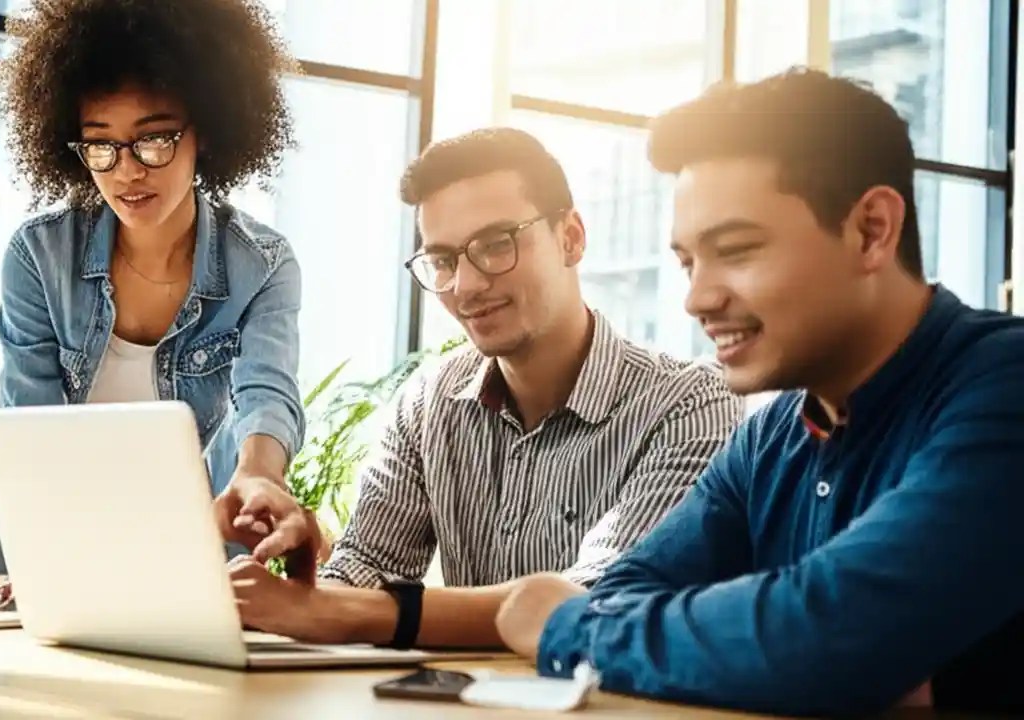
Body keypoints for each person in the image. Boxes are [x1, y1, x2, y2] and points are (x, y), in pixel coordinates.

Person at [494, 68, 1024, 717]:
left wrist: (568, 627)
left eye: (737, 250)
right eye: (689, 262)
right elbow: (629, 586)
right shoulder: (770, 436)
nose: (697, 299)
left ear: (872, 230)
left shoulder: (1003, 383)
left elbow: (821, 639)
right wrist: (784, 644)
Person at [226, 128, 744, 648]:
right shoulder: (429, 402)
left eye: (496, 245)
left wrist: (350, 611)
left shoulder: (689, 403)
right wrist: (298, 588)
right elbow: (368, 566)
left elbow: (601, 599)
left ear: (571, 238)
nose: (466, 286)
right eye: (445, 261)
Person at [0, 0, 318, 571]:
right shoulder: (39, 257)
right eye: (101, 144)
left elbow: (266, 392)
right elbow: (30, 434)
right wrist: (43, 562)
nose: (126, 170)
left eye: (155, 140)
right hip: (67, 554)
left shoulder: (261, 266)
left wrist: (259, 474)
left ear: (207, 132)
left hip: (197, 561)